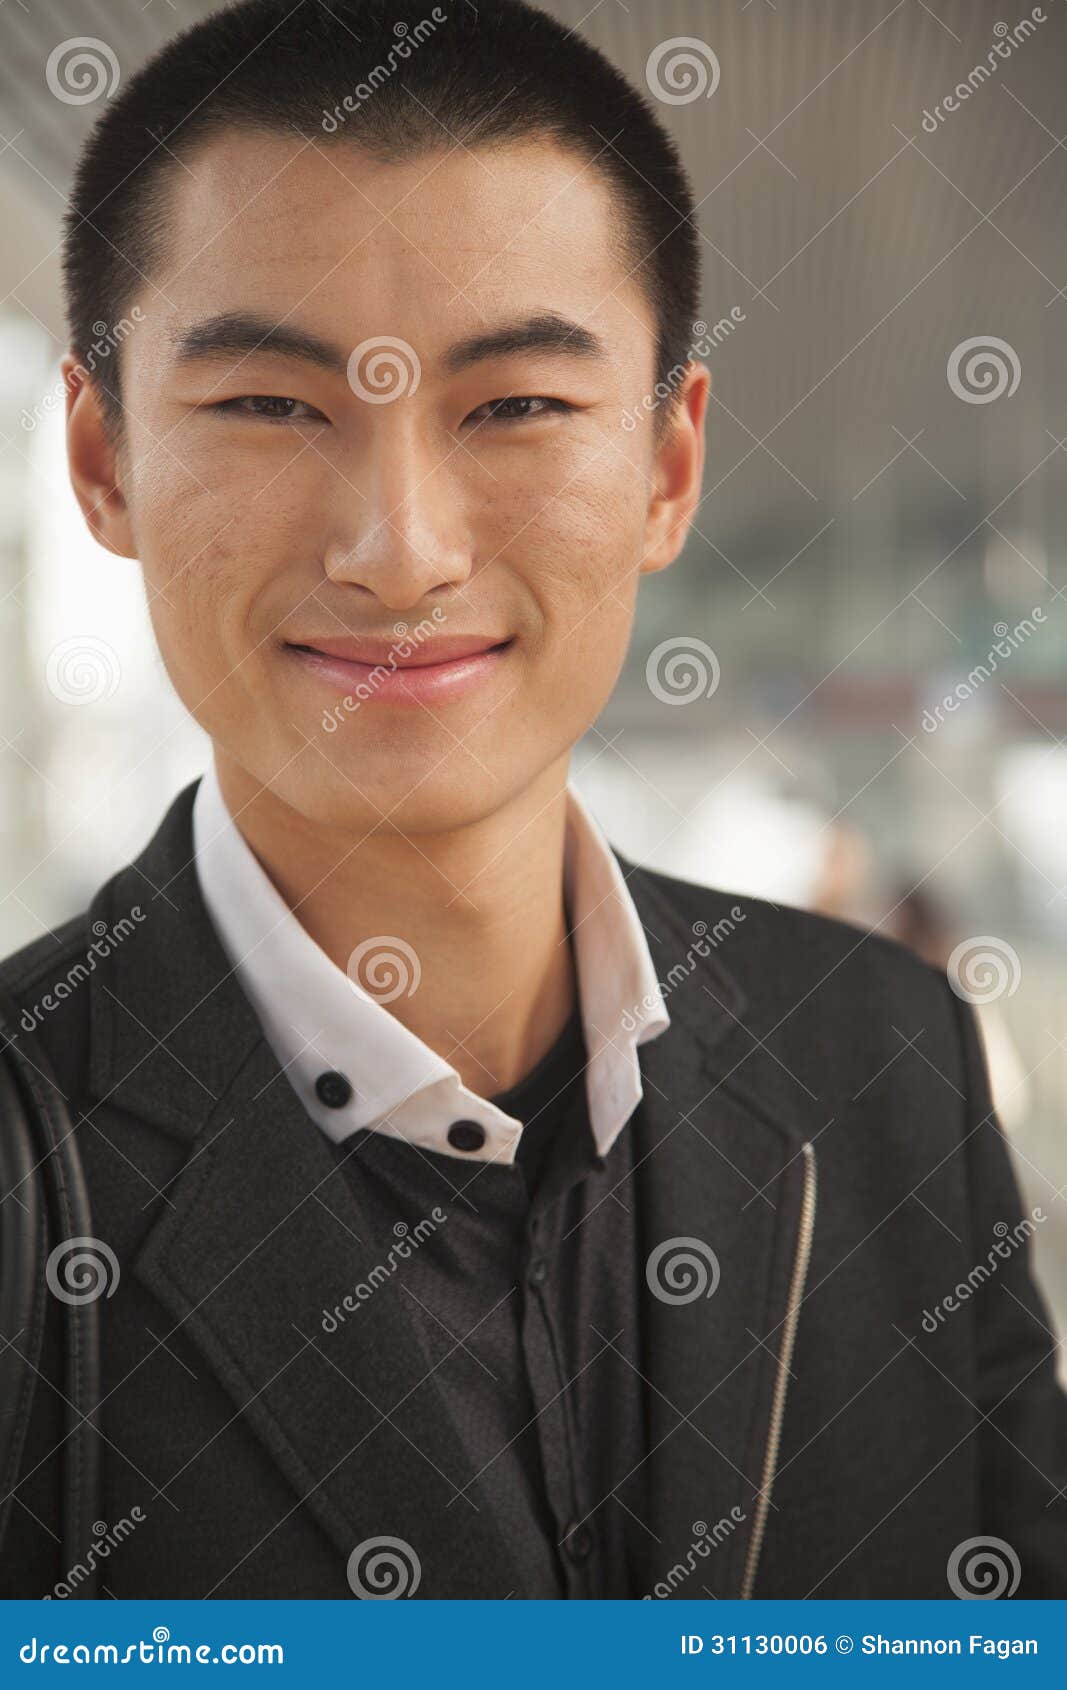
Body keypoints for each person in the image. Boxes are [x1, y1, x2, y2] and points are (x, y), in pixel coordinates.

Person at [0, 0, 1064, 1601]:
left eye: (514, 406)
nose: (401, 549)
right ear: (103, 462)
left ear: (667, 468)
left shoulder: (883, 1058)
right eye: (270, 404)